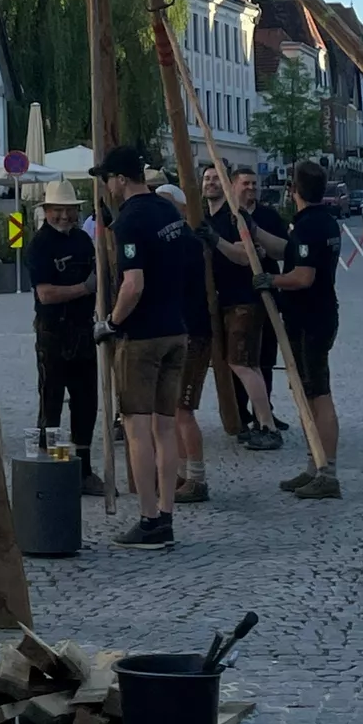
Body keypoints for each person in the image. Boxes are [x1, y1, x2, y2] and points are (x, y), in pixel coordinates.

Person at [90, 146, 188, 550]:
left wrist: (110, 322)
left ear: (119, 179)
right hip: (176, 330)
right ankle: (166, 513)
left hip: (142, 336)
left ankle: (148, 519)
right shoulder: (169, 210)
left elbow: (133, 284)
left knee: (136, 428)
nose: (106, 187)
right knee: (166, 427)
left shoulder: (129, 222)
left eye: (106, 180)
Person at [268, 159, 343, 499]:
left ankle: (327, 472)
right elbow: (289, 251)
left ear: (293, 191)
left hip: (310, 319)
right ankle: (315, 465)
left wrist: (270, 280)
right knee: (307, 394)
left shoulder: (306, 228)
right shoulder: (324, 222)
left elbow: (303, 276)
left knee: (317, 394)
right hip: (320, 314)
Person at [22, 181, 101, 494]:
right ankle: (52, 464)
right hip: (53, 331)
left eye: (69, 210)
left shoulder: (83, 240)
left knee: (86, 402)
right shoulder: (40, 245)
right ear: (47, 211)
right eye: (59, 210)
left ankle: (84, 470)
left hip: (83, 329)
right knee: (51, 400)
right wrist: (85, 288)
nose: (65, 215)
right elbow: (46, 294)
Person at [204, 167, 287, 450]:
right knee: (238, 363)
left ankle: (266, 424)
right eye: (207, 178)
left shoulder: (234, 216)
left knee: (245, 363)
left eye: (216, 178)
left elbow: (245, 256)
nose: (211, 183)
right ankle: (246, 419)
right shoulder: (210, 216)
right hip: (225, 300)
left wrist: (216, 240)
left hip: (245, 300)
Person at [159, 181, 211, 506]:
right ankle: (181, 471)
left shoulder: (185, 242)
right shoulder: (178, 240)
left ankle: (197, 477)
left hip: (192, 331)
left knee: (183, 409)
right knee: (175, 408)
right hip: (181, 329)